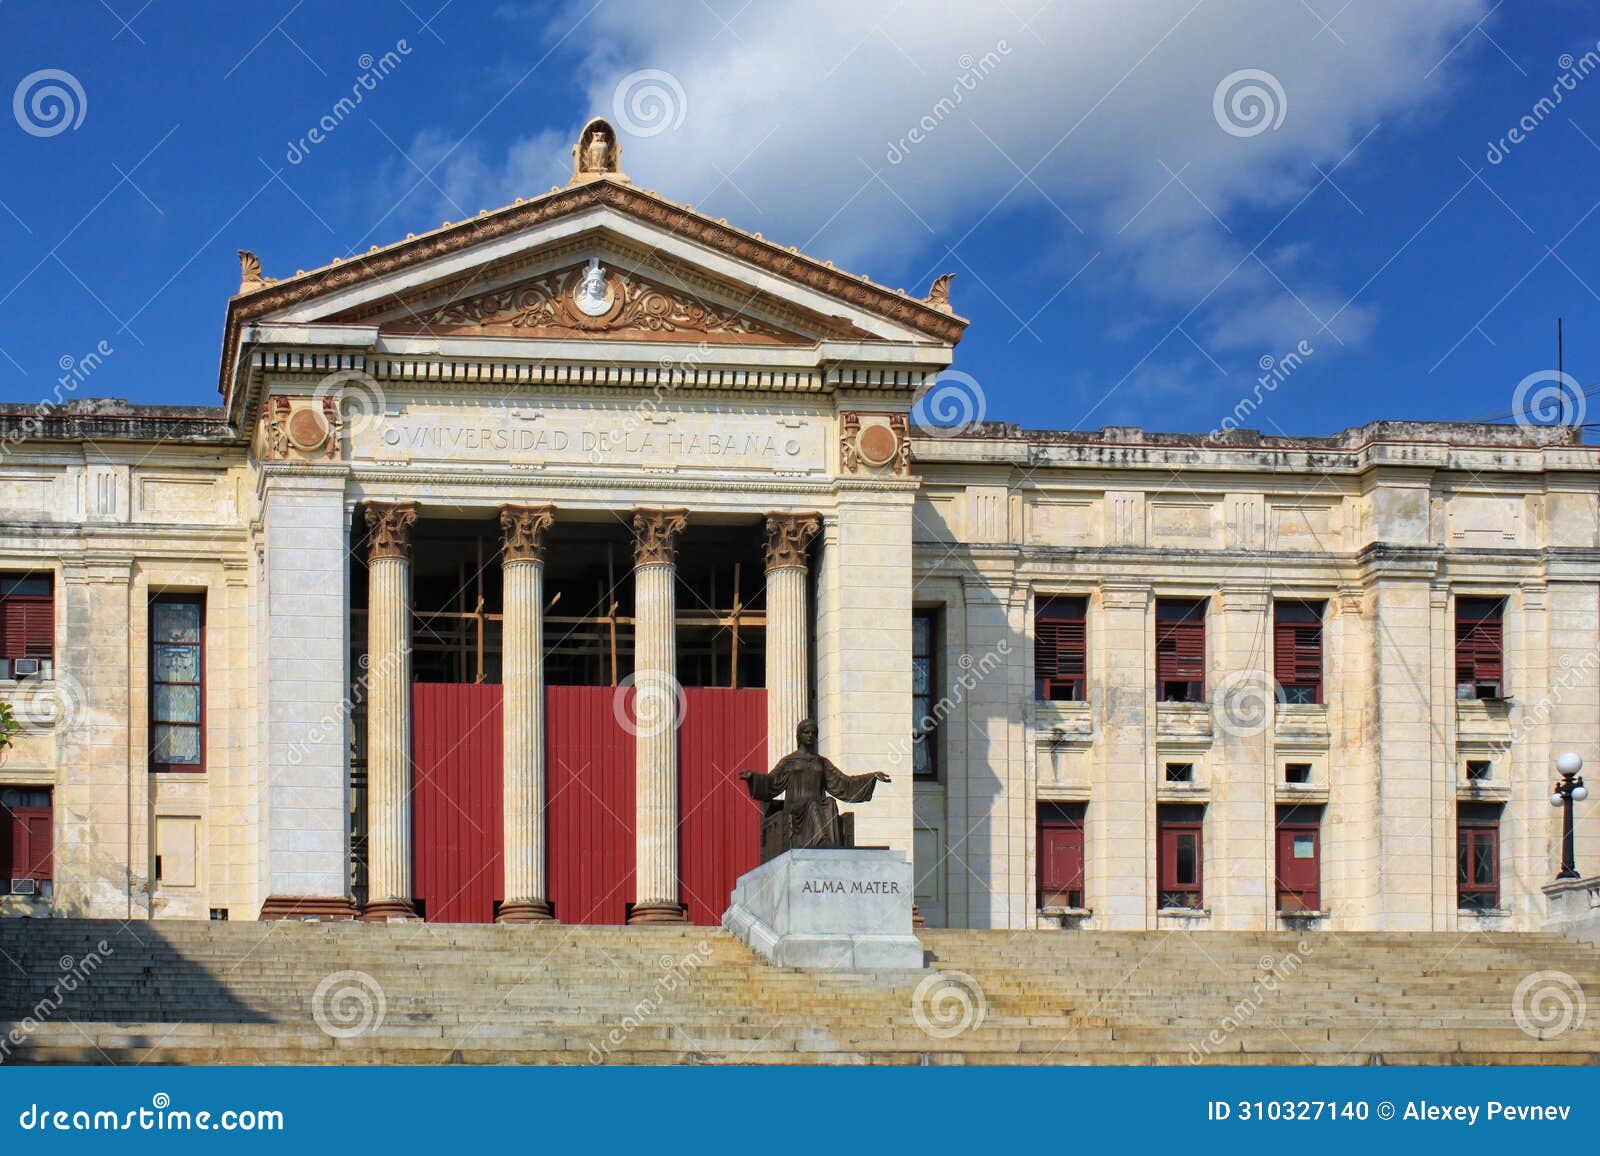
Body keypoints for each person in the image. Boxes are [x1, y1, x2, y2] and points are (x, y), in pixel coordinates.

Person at [739, 719, 890, 852]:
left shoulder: (822, 762)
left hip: (818, 805)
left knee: (830, 802)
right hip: (796, 810)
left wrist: (872, 777)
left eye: (814, 732)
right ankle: (823, 842)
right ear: (799, 736)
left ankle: (831, 844)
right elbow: (771, 781)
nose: (810, 735)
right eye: (806, 732)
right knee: (813, 804)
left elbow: (844, 783)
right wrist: (753, 777)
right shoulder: (789, 762)